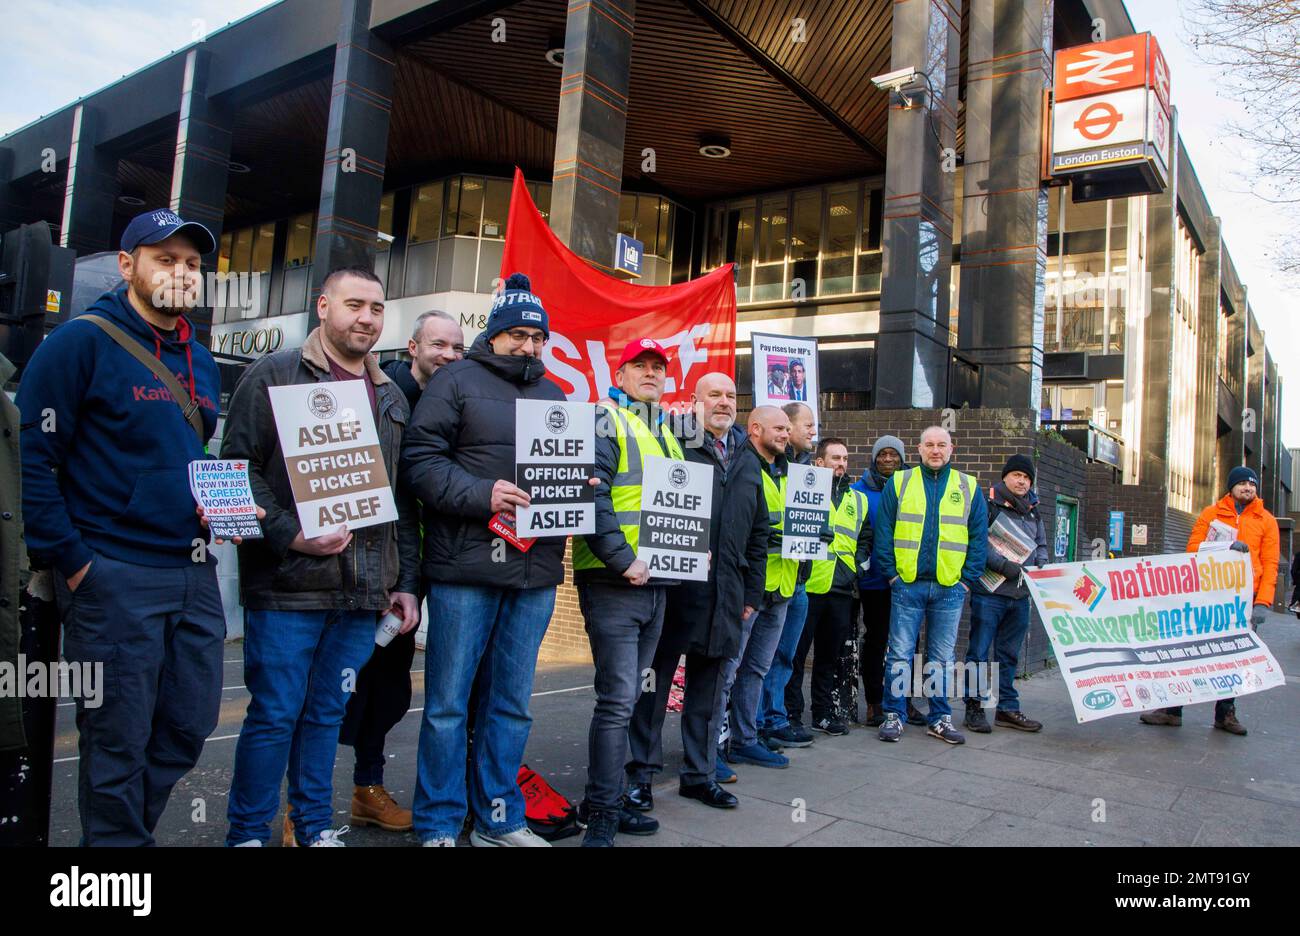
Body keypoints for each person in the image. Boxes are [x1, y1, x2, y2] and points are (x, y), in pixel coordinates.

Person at [17, 210, 225, 846]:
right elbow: (29, 455)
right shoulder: (79, 342)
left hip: (194, 572)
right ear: (128, 265)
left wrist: (224, 508)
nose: (181, 272)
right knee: (116, 740)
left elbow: (191, 460)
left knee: (187, 728)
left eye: (191, 263)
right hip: (113, 575)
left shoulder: (201, 358)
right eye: (165, 258)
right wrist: (74, 560)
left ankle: (122, 843)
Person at [221, 267, 421, 847]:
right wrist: (291, 534)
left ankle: (312, 828)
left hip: (362, 594)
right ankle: (249, 835)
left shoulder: (388, 395)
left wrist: (403, 580)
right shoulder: (274, 373)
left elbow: (398, 502)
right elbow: (235, 471)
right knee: (275, 715)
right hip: (288, 586)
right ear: (323, 306)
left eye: (377, 308)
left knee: (326, 716)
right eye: (354, 304)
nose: (366, 317)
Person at [399, 272, 565, 847]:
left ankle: (499, 818)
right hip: (466, 570)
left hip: (535, 572)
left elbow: (563, 473)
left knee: (513, 705)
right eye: (517, 334)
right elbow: (418, 463)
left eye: (538, 337)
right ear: (492, 334)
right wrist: (481, 494)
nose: (528, 346)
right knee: (447, 705)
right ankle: (440, 823)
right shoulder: (455, 382)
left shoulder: (555, 393)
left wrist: (580, 484)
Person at [334, 311, 467, 835]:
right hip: (362, 563)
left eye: (458, 347)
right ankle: (306, 802)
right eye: (439, 345)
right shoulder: (384, 397)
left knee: (388, 689)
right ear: (412, 347)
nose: (450, 355)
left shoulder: (459, 401)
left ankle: (368, 789)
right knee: (336, 685)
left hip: (421, 565)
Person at [625, 372, 758, 811]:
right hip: (675, 590)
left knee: (708, 692)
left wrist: (751, 596)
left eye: (730, 396)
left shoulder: (747, 456)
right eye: (714, 395)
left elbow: (760, 533)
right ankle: (640, 778)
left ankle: (699, 776)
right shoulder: (673, 445)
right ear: (694, 402)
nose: (723, 402)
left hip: (727, 596)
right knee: (653, 689)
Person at [572, 337, 684, 847]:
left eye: (658, 367)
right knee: (617, 700)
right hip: (615, 581)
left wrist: (691, 548)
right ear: (619, 376)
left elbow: (677, 507)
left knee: (632, 696)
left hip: (656, 583)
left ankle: (613, 797)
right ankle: (601, 810)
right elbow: (590, 495)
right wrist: (624, 561)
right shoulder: (604, 420)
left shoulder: (667, 432)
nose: (651, 374)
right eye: (640, 366)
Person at [1139, 465, 1277, 736]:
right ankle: (1172, 709)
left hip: (1242, 601)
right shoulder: (1211, 514)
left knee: (1233, 657)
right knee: (1191, 650)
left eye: (1252, 484)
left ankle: (1225, 713)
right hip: (1208, 595)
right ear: (1231, 487)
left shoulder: (1266, 520)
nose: (1248, 488)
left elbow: (1271, 564)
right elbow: (1193, 549)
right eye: (1242, 484)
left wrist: (1263, 602)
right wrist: (1225, 549)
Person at [873, 426, 987, 745]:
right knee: (899, 654)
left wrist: (967, 579)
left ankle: (939, 718)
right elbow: (884, 531)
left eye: (941, 445)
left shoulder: (968, 486)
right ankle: (893, 715)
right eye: (929, 445)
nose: (935, 450)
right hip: (907, 583)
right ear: (920, 450)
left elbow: (979, 537)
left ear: (952, 449)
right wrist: (892, 574)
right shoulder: (900, 481)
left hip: (950, 586)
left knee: (942, 657)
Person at [717, 406, 798, 770]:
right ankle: (713, 747)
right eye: (779, 428)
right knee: (726, 671)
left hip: (781, 585)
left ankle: (745, 738)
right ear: (755, 429)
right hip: (752, 588)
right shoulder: (742, 466)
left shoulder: (784, 471)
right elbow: (737, 531)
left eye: (787, 428)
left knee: (756, 669)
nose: (785, 434)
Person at [787, 438, 871, 735]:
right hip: (809, 584)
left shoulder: (857, 498)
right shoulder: (803, 490)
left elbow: (865, 538)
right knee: (796, 656)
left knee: (828, 657)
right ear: (819, 462)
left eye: (845, 458)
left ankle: (821, 713)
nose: (842, 463)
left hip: (841, 589)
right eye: (835, 457)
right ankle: (792, 714)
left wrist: (856, 568)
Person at [962, 455, 1048, 734]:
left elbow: (1041, 545)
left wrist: (1041, 566)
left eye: (1026, 477)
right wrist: (1002, 566)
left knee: (1009, 654)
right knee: (978, 652)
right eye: (1017, 476)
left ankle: (1007, 708)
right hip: (990, 591)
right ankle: (974, 708)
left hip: (1020, 595)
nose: (1022, 481)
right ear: (1005, 477)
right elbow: (977, 541)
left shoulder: (1034, 510)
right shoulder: (988, 504)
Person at [756, 401, 819, 749]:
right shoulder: (772, 468)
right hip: (770, 578)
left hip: (797, 576)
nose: (812, 431)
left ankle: (775, 718)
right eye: (806, 424)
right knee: (761, 658)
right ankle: (757, 722)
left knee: (784, 656)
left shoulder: (808, 468)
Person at [851, 435, 908, 726]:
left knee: (909, 643)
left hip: (908, 580)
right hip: (875, 581)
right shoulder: (858, 491)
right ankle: (875, 702)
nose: (888, 459)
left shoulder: (913, 487)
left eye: (893, 455)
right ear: (874, 459)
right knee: (877, 640)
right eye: (882, 455)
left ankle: (905, 701)